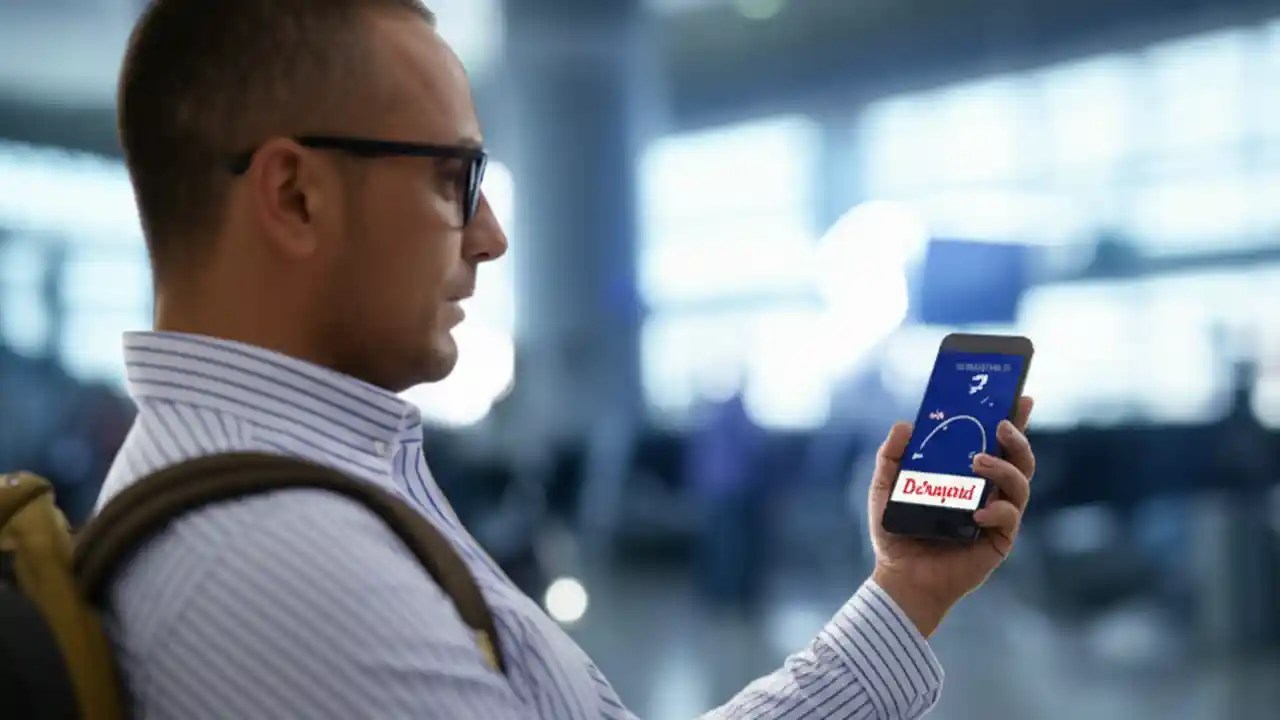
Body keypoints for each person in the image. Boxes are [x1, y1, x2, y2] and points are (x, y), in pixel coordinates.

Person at [95, 1, 1038, 718]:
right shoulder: (285, 570)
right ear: (295, 197)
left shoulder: (287, 494)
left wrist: (906, 595)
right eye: (454, 179)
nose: (491, 236)